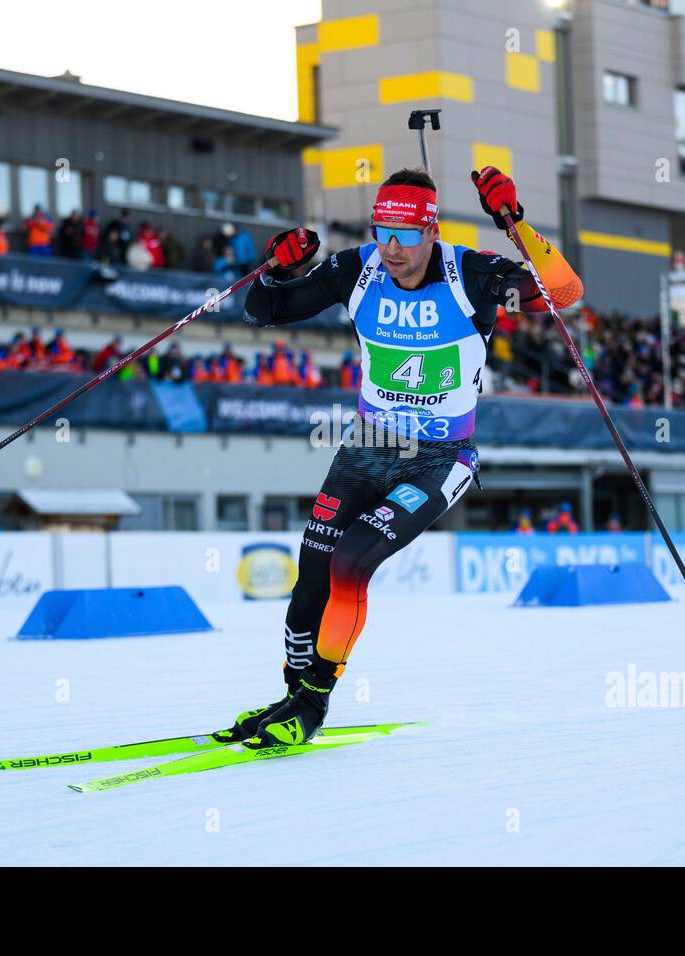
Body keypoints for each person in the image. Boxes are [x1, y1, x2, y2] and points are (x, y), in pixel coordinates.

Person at [219, 164, 582, 748]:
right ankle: (291, 696)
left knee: (350, 561)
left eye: (408, 234)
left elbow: (565, 292)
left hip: (439, 457)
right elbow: (264, 310)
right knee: (310, 580)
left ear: (432, 232)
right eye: (383, 231)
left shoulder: (474, 276)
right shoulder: (355, 270)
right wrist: (274, 268)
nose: (392, 248)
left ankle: (312, 706)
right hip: (367, 446)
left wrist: (512, 222)